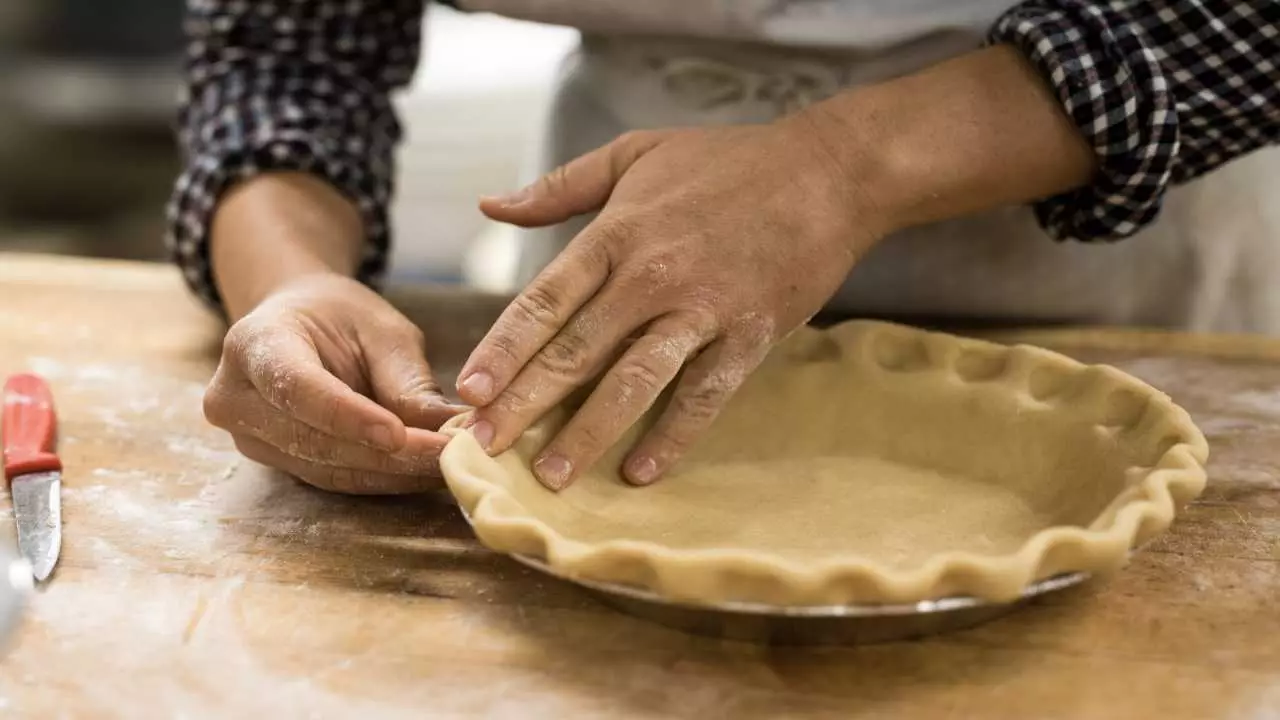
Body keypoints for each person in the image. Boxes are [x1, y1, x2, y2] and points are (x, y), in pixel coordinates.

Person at [167, 1, 1279, 496]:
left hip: (1121, 264)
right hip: (620, 277)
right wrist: (290, 278)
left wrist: (842, 165)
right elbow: (286, 53)